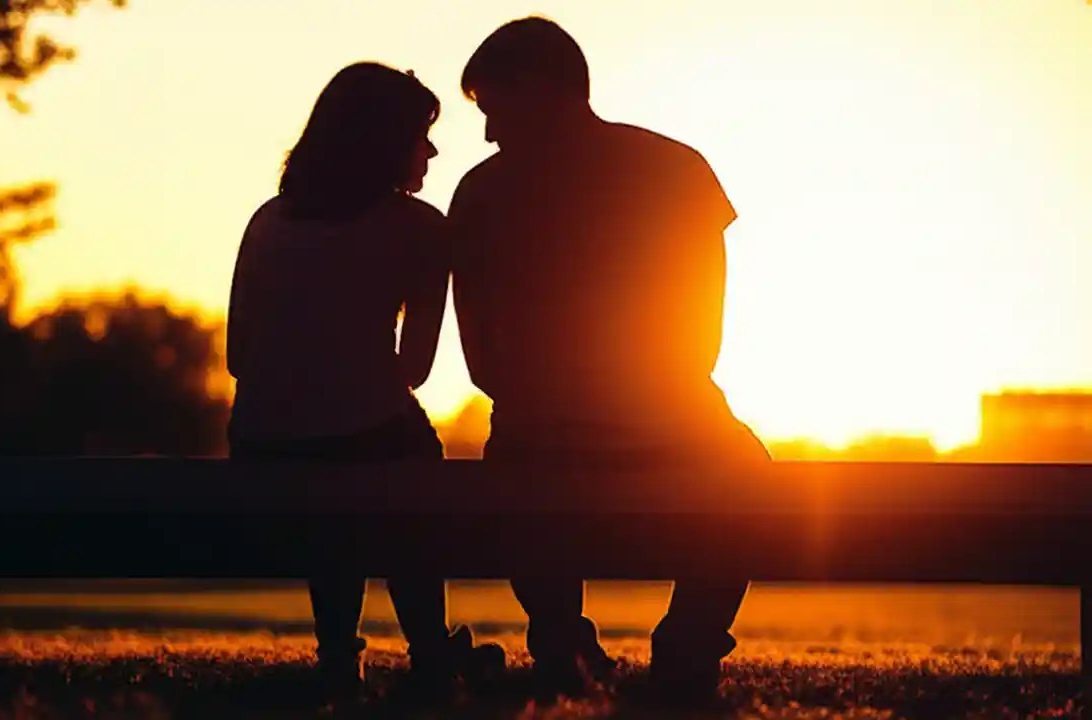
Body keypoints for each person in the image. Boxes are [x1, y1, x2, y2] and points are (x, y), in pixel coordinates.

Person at [449, 17, 771, 704]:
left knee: (512, 480)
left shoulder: (480, 194)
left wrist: (548, 397)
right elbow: (703, 327)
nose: (488, 133)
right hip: (674, 432)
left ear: (539, 88)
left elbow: (479, 356)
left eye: (492, 108)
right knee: (752, 477)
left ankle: (562, 639)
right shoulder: (678, 168)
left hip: (539, 443)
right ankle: (688, 643)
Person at [225, 62, 499, 699]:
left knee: (342, 479)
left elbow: (239, 356)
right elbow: (415, 370)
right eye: (420, 135)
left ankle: (337, 654)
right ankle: (430, 648)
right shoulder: (423, 229)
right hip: (370, 447)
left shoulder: (268, 220)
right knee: (401, 460)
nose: (431, 149)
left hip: (266, 450)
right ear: (384, 143)